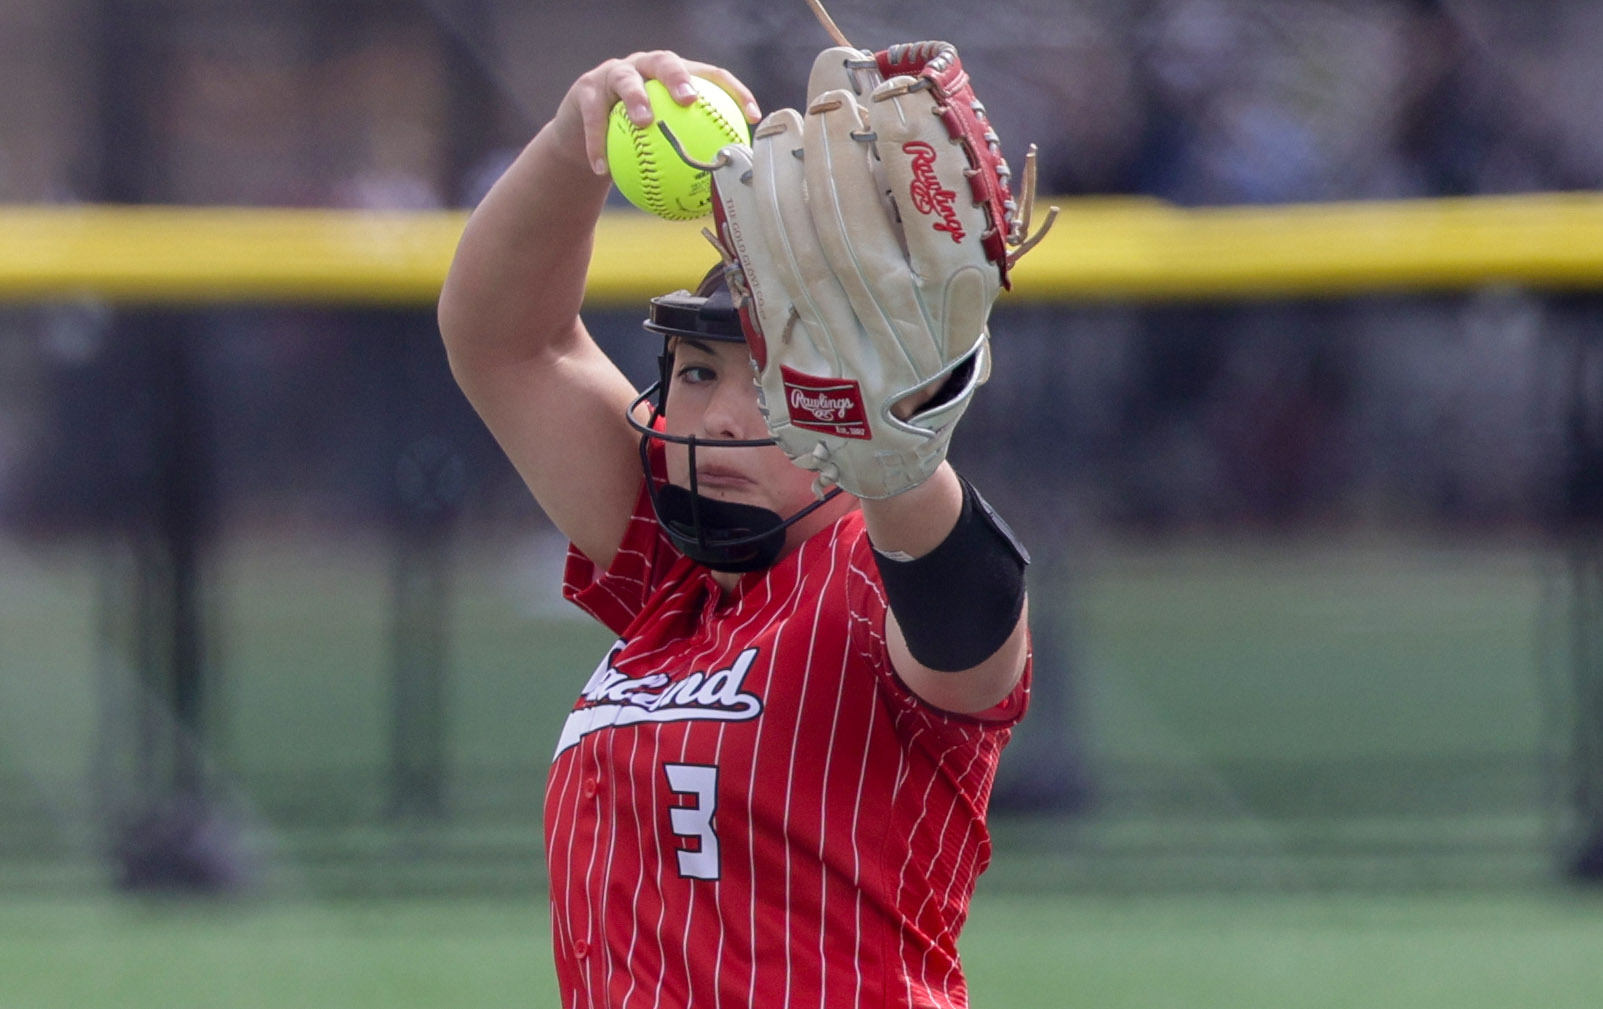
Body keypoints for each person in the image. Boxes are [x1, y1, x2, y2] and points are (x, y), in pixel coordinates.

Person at [437, 49, 1031, 1009]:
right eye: (698, 371)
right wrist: (570, 142)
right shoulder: (670, 581)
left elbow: (971, 611)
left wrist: (904, 463)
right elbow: (509, 339)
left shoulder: (871, 577)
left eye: (767, 375)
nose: (713, 417)